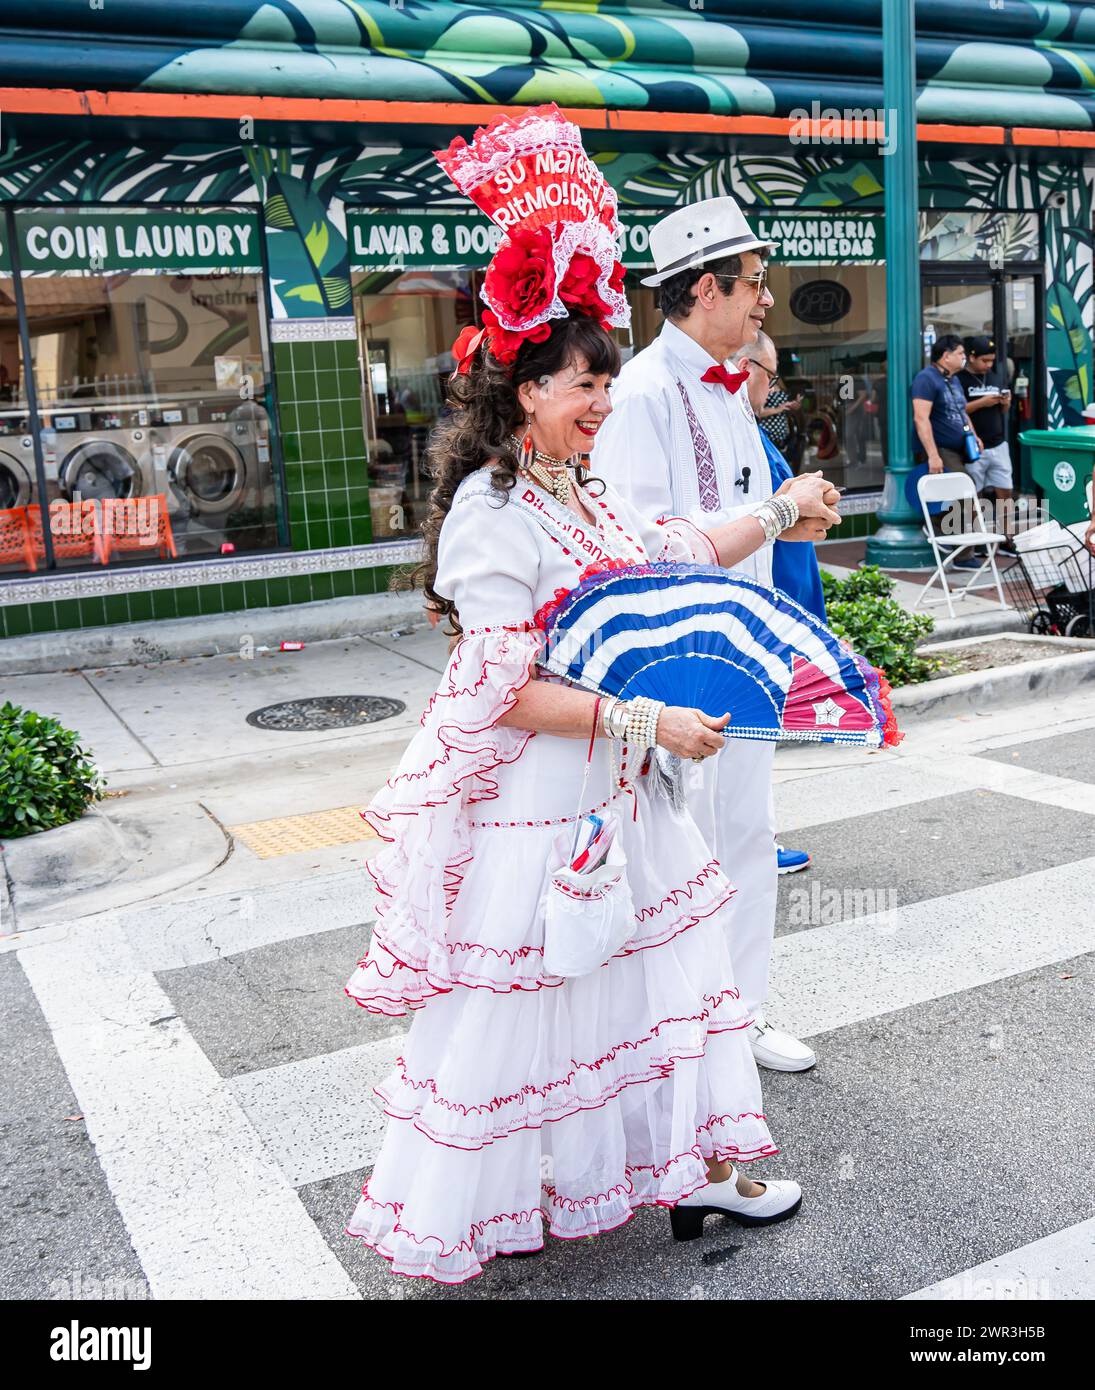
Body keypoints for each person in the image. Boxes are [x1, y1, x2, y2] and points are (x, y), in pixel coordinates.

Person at [343, 106, 839, 1285]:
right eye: (581, 388)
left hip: (627, 792)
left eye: (608, 385)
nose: (601, 405)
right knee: (524, 1012)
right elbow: (505, 694)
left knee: (674, 977)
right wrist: (646, 719)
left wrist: (772, 513)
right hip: (548, 801)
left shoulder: (578, 493)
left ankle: (698, 1173)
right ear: (520, 392)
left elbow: (670, 551)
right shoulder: (493, 515)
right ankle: (492, 1204)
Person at [592, 195, 841, 1074]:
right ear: (705, 289)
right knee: (680, 849)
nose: (765, 300)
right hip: (677, 669)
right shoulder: (640, 395)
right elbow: (641, 543)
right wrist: (777, 509)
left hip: (747, 657)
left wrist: (792, 522)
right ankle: (679, 1032)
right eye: (754, 284)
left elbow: (741, 517)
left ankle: (740, 1014)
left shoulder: (732, 389)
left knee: (746, 834)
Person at [739, 329, 827, 879]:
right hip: (770, 592)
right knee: (752, 734)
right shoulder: (735, 429)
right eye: (770, 376)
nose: (773, 390)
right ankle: (755, 844)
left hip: (783, 583)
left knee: (758, 735)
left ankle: (756, 840)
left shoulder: (746, 429)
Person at [911, 334, 984, 567]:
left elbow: (961, 411)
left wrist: (974, 435)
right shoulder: (926, 379)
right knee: (966, 493)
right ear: (946, 356)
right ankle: (957, 547)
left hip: (960, 446)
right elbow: (921, 418)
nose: (964, 358)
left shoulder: (953, 379)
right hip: (941, 448)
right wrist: (933, 454)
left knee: (965, 495)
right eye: (961, 354)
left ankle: (955, 540)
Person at [957, 334, 1015, 549]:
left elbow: (1004, 411)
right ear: (972, 357)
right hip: (973, 445)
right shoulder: (960, 380)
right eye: (984, 360)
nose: (988, 365)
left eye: (991, 360)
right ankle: (979, 539)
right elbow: (959, 410)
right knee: (975, 494)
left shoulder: (996, 376)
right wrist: (981, 402)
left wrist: (1005, 402)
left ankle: (1008, 537)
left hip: (998, 442)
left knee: (1005, 490)